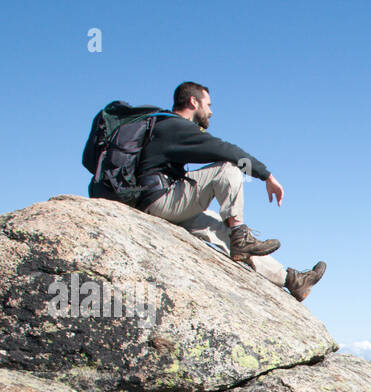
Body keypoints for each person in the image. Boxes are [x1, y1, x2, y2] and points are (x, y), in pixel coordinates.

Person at [136, 81, 325, 301]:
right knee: (227, 169)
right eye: (208, 104)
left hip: (158, 202)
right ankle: (240, 235)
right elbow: (226, 151)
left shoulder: (166, 128)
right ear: (193, 101)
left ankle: (292, 281)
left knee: (220, 228)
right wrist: (266, 175)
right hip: (158, 201)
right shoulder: (175, 127)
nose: (211, 111)